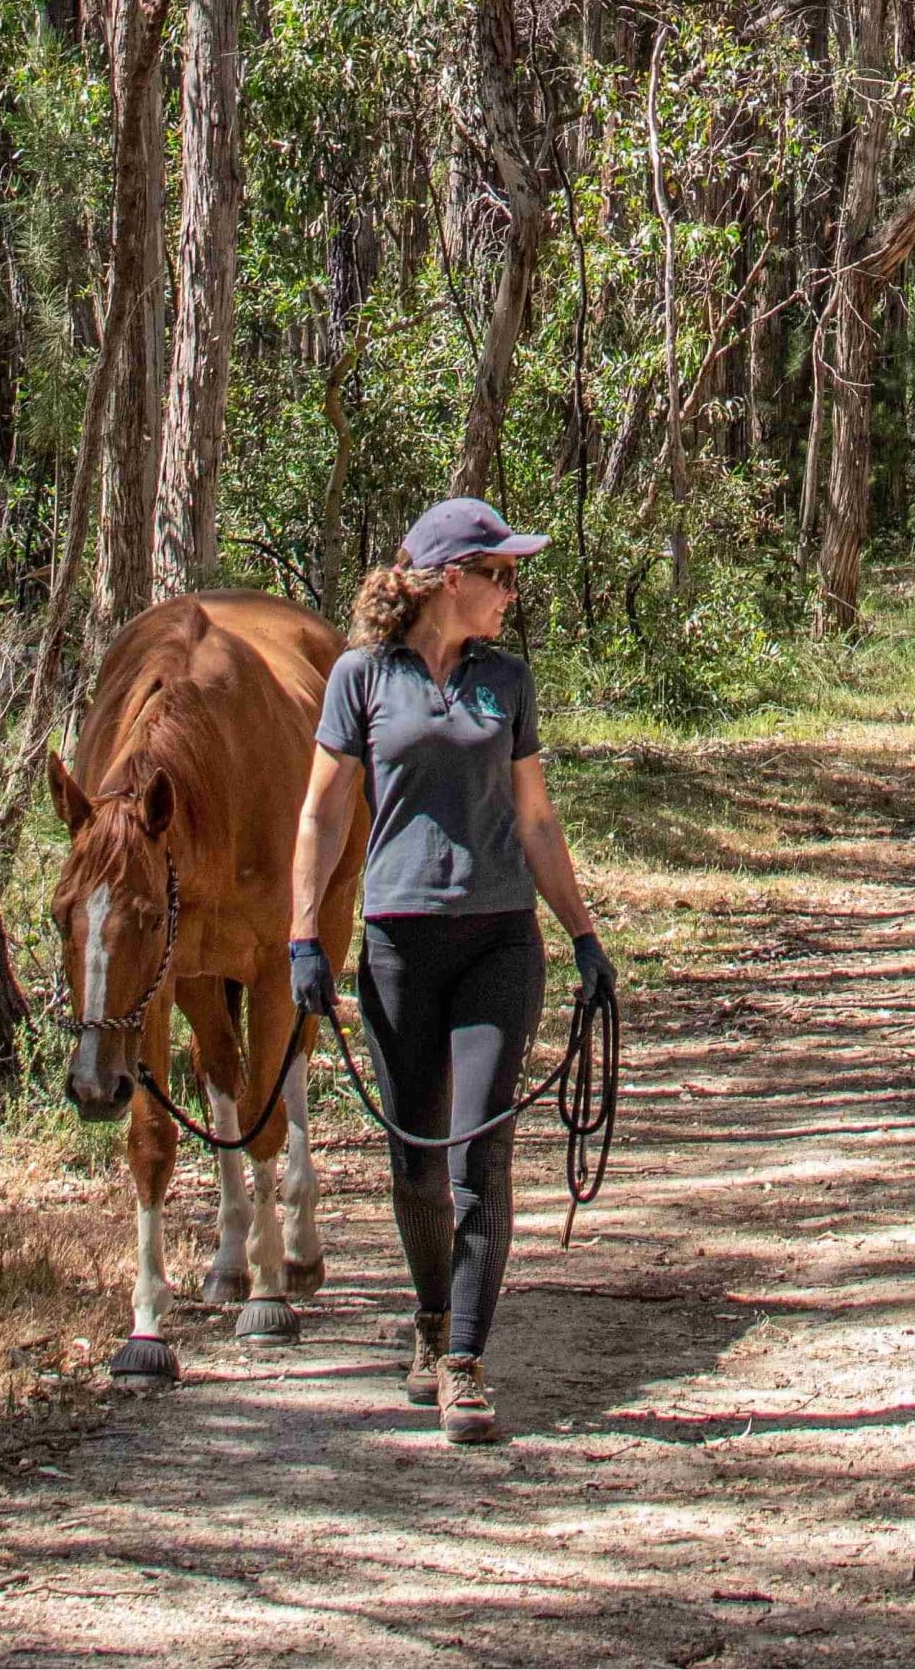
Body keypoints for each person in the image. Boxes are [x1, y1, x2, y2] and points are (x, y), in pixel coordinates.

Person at [286, 497, 617, 1444]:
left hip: (499, 941)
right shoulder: (360, 678)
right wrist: (304, 938)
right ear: (448, 580)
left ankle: (464, 1361)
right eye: (498, 575)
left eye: (513, 576)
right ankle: (432, 1319)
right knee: (416, 1162)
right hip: (397, 942)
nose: (511, 593)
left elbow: (535, 818)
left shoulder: (506, 681)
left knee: (481, 1154)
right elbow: (322, 814)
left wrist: (584, 936)